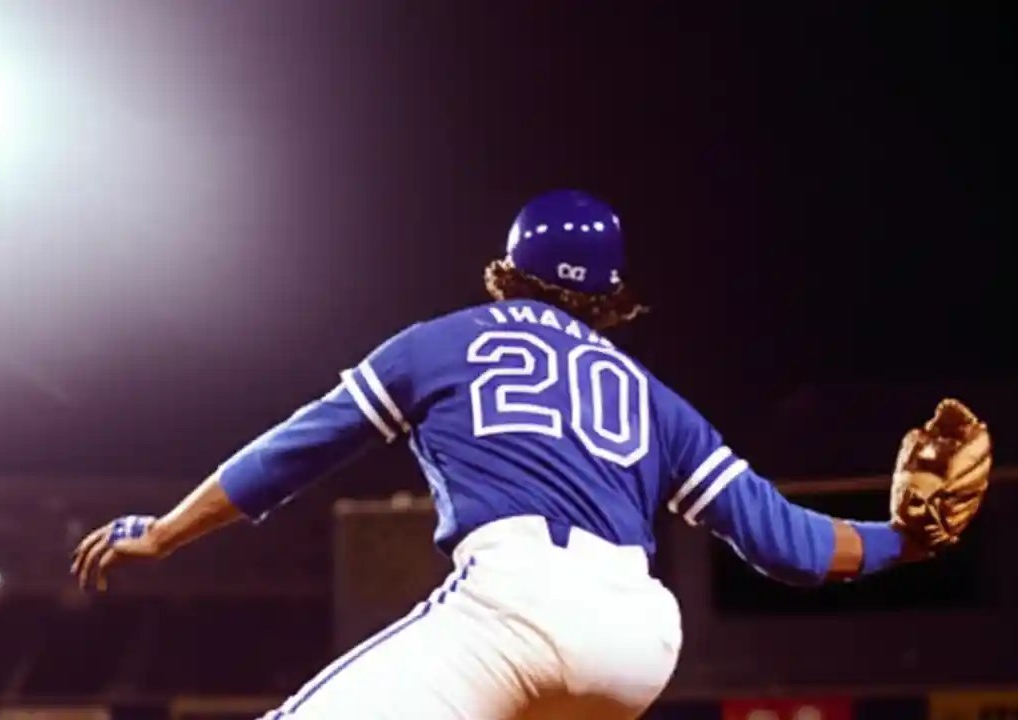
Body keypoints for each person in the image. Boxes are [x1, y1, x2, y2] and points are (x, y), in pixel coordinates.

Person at [71, 190, 923, 719]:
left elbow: (290, 455)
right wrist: (907, 539)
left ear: (507, 271)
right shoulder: (652, 396)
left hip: (514, 610)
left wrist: (165, 532)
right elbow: (791, 547)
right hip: (639, 643)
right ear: (609, 295)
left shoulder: (444, 344)